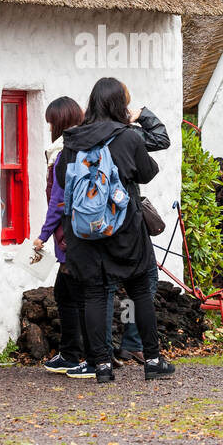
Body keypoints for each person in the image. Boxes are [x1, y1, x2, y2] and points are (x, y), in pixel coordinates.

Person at [56, 77, 175, 383]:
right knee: (139, 293)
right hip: (126, 229)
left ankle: (101, 366)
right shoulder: (129, 137)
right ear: (120, 105)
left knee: (95, 294)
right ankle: (152, 360)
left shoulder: (72, 139)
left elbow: (60, 177)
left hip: (84, 231)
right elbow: (147, 174)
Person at [106, 97, 169, 366]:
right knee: (146, 281)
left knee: (104, 287)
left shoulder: (86, 134)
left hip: (97, 219)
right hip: (128, 216)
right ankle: (134, 345)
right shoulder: (129, 134)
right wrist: (143, 114)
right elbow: (161, 139)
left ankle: (104, 353)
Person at [31, 97, 87, 374]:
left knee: (72, 296)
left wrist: (43, 236)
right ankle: (75, 353)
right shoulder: (82, 149)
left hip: (69, 236)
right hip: (80, 234)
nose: (50, 127)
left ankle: (81, 355)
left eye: (52, 122)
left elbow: (57, 201)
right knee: (70, 294)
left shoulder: (62, 155)